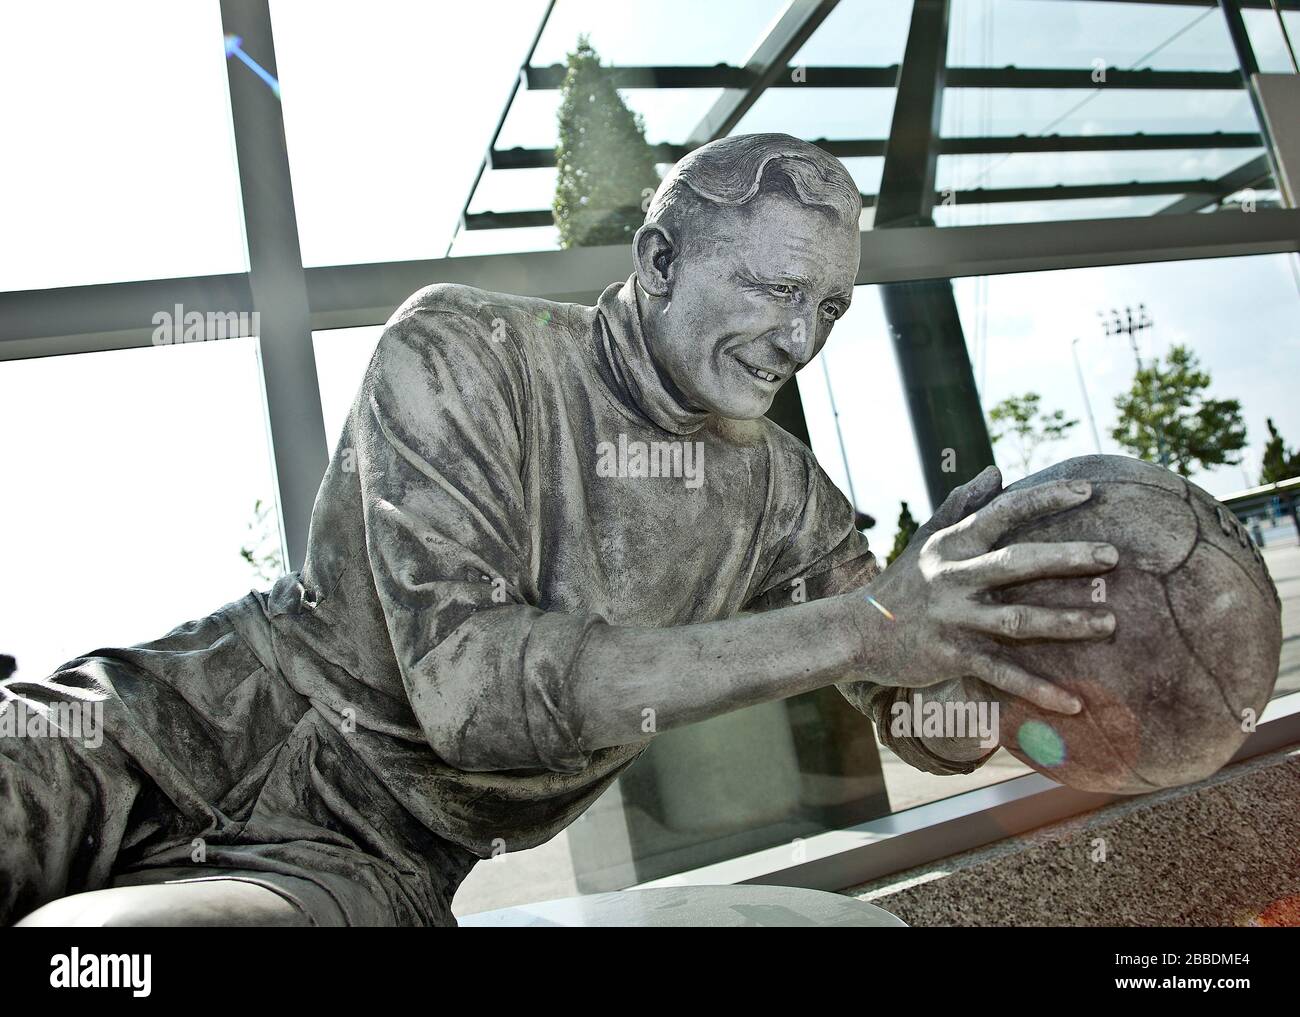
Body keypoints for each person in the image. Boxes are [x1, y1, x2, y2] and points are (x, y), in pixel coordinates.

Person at [2, 133, 1117, 926]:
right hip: (156, 731)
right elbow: (475, 694)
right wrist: (872, 626)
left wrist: (996, 657)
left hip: (361, 863)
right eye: (776, 289)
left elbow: (922, 722)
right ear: (659, 262)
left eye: (827, 307)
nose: (797, 337)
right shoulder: (460, 349)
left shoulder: (788, 499)